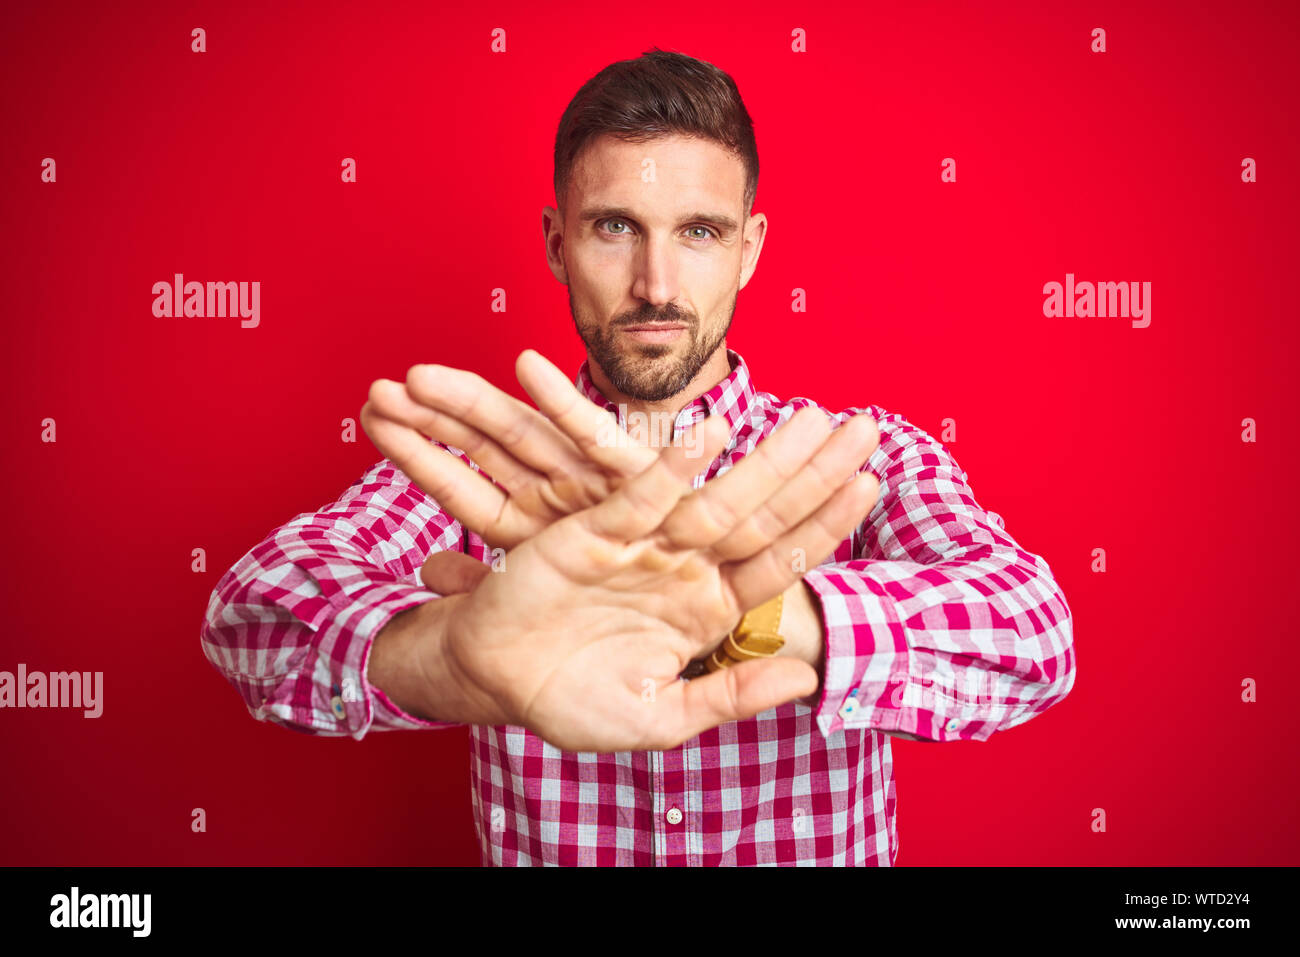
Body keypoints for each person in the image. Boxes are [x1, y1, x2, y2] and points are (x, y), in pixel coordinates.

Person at [200, 48, 1075, 865]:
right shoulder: (481, 469)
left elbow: (1033, 632)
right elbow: (254, 613)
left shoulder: (854, 456)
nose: (656, 285)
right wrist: (451, 658)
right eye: (616, 226)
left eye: (699, 232)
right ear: (557, 244)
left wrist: (746, 615)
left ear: (749, 251)